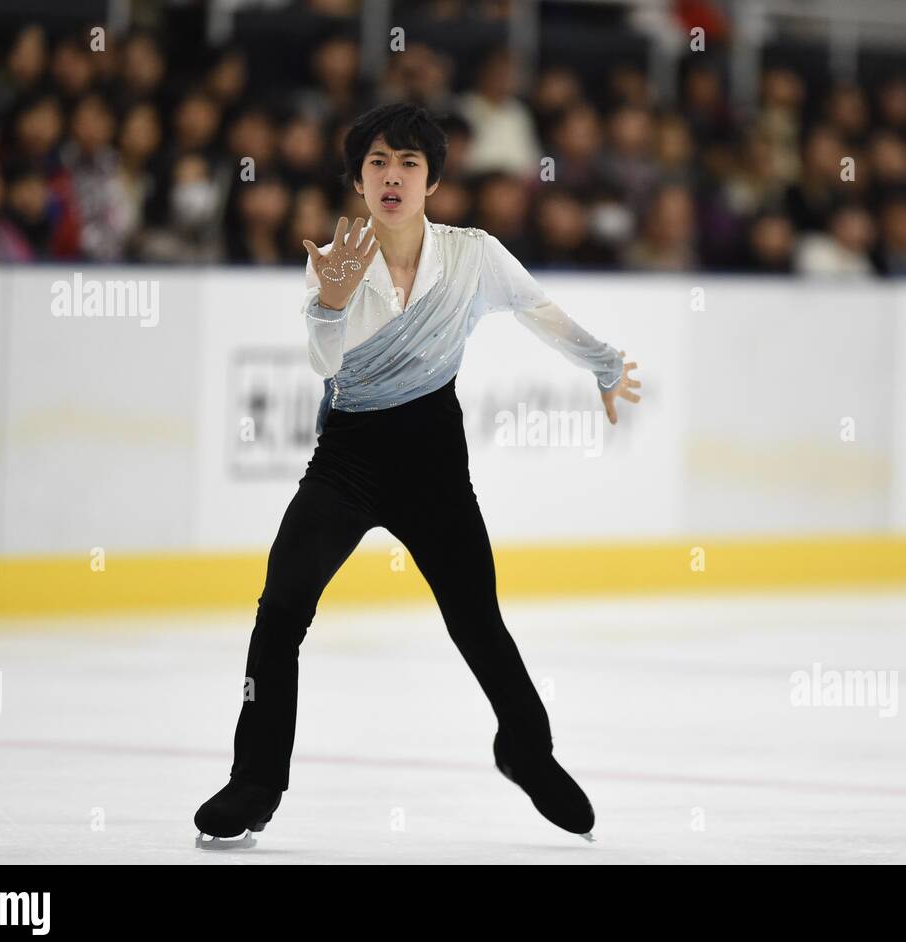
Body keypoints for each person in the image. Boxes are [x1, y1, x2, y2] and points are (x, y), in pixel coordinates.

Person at [194, 103, 641, 848]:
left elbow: (540, 311)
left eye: (408, 164)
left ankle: (526, 749)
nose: (392, 176)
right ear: (359, 179)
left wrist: (604, 363)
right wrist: (330, 304)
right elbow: (326, 364)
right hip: (349, 458)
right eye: (377, 163)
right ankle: (256, 781)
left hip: (433, 459)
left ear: (432, 179)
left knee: (477, 618)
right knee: (282, 608)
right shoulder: (335, 260)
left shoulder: (474, 256)